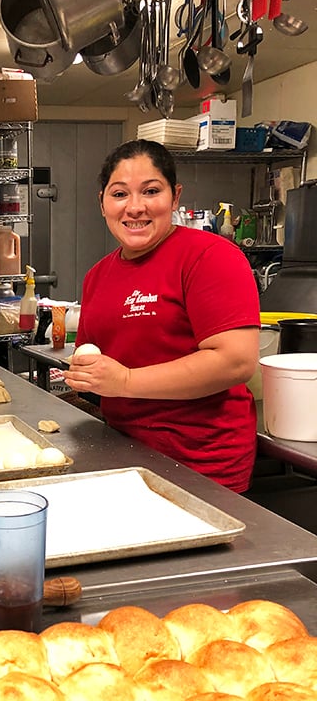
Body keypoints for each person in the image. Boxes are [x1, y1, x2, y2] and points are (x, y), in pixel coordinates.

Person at [64, 139, 260, 493]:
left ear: (175, 197)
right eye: (120, 194)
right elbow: (96, 363)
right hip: (123, 451)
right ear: (102, 203)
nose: (135, 207)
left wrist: (124, 381)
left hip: (200, 463)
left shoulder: (210, 257)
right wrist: (86, 377)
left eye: (151, 191)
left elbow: (235, 362)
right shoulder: (98, 275)